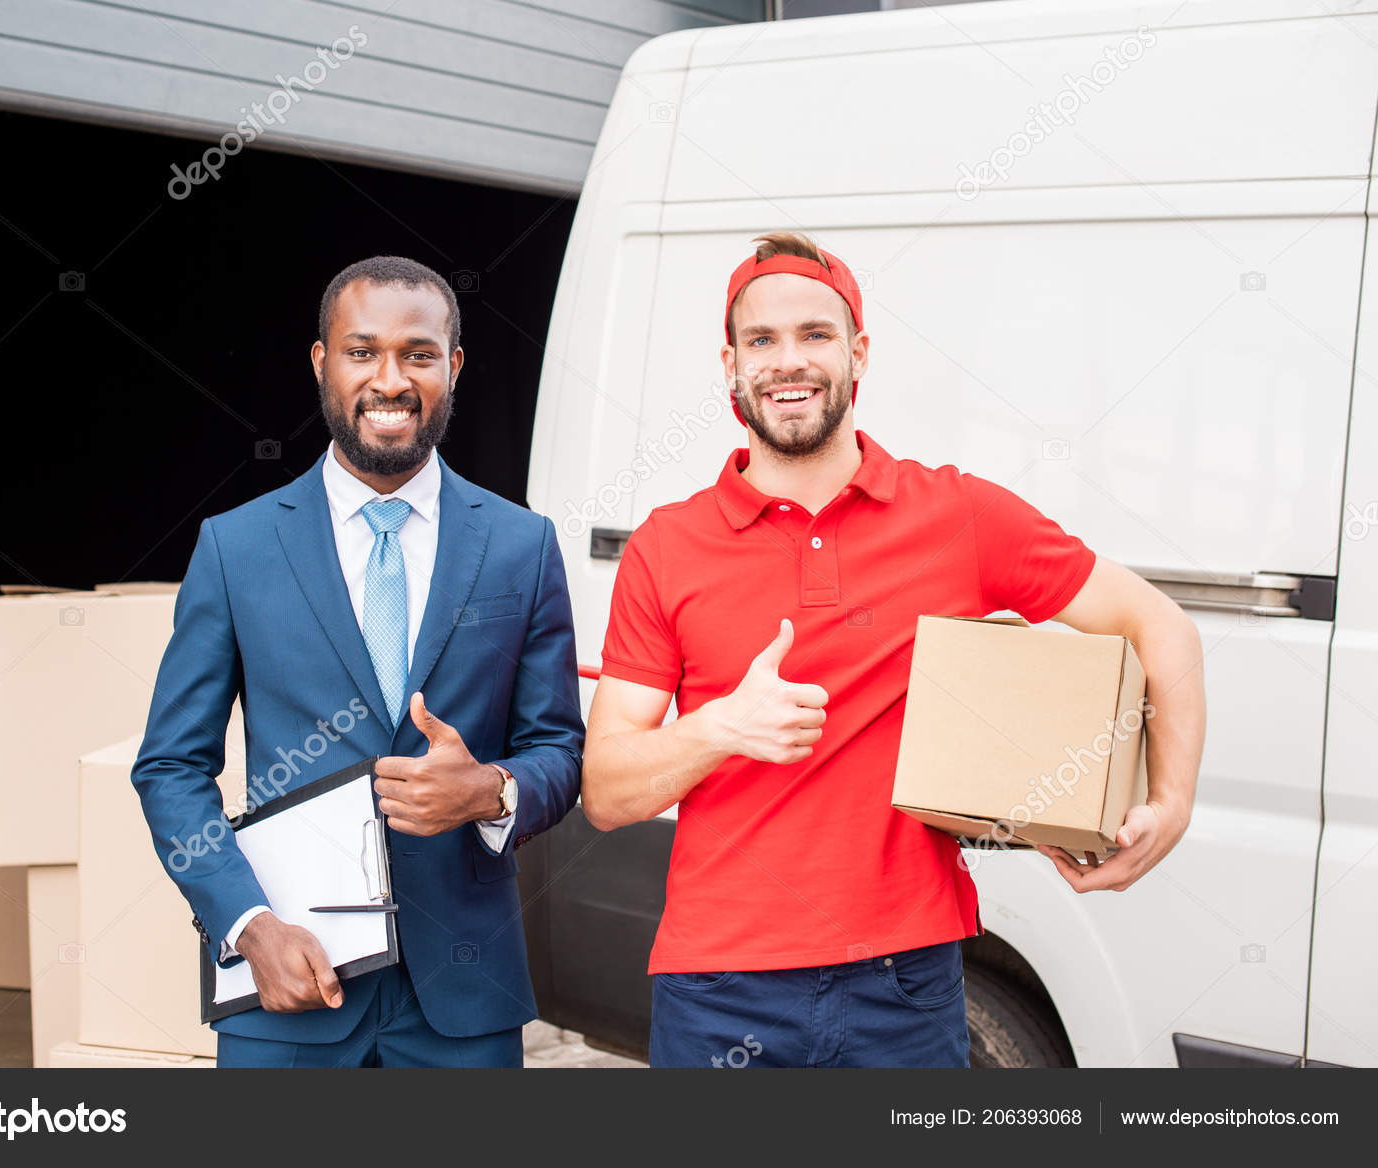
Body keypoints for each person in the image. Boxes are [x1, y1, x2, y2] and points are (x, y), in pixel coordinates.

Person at [581, 231, 1205, 1069]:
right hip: (718, 987)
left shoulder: (958, 519)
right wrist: (721, 729)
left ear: (858, 353)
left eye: (815, 335)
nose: (787, 361)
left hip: (903, 986)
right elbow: (606, 792)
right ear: (729, 365)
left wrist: (1170, 804)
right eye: (761, 340)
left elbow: (1161, 626)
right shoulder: (668, 546)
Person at [132, 255, 583, 1068]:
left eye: (418, 353)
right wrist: (244, 926)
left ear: (453, 366)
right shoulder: (236, 547)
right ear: (322, 363)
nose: (390, 379)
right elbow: (169, 766)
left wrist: (490, 790)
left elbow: (559, 749)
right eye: (362, 351)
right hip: (287, 989)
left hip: (465, 1000)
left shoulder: (523, 545)